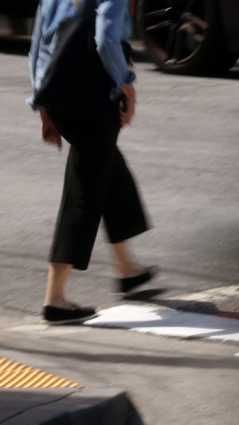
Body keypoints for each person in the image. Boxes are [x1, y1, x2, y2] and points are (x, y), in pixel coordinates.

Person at [28, 0, 157, 323]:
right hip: (94, 98)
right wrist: (126, 83)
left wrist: (42, 104)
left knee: (108, 170)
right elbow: (106, 38)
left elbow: (37, 44)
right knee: (83, 191)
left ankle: (127, 268)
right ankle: (55, 299)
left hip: (58, 95)